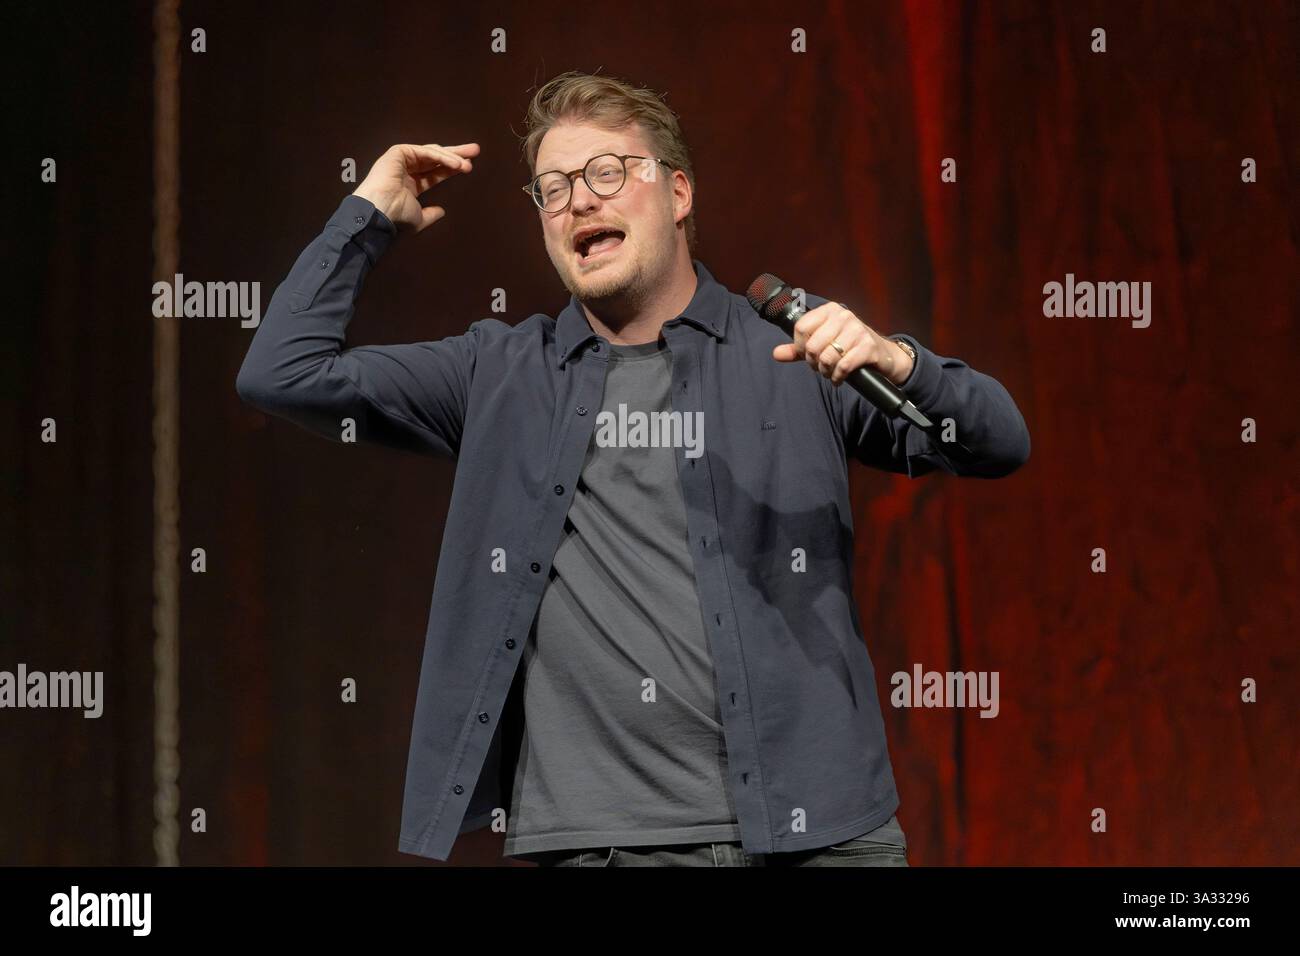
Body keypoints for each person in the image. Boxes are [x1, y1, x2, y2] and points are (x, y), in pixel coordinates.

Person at [235, 71, 1030, 867]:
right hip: (604, 846)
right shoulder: (501, 373)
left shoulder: (793, 356)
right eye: (552, 189)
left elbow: (997, 443)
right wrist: (368, 217)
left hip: (820, 836)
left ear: (678, 193)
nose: (579, 201)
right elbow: (282, 374)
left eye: (607, 173)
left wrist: (895, 360)